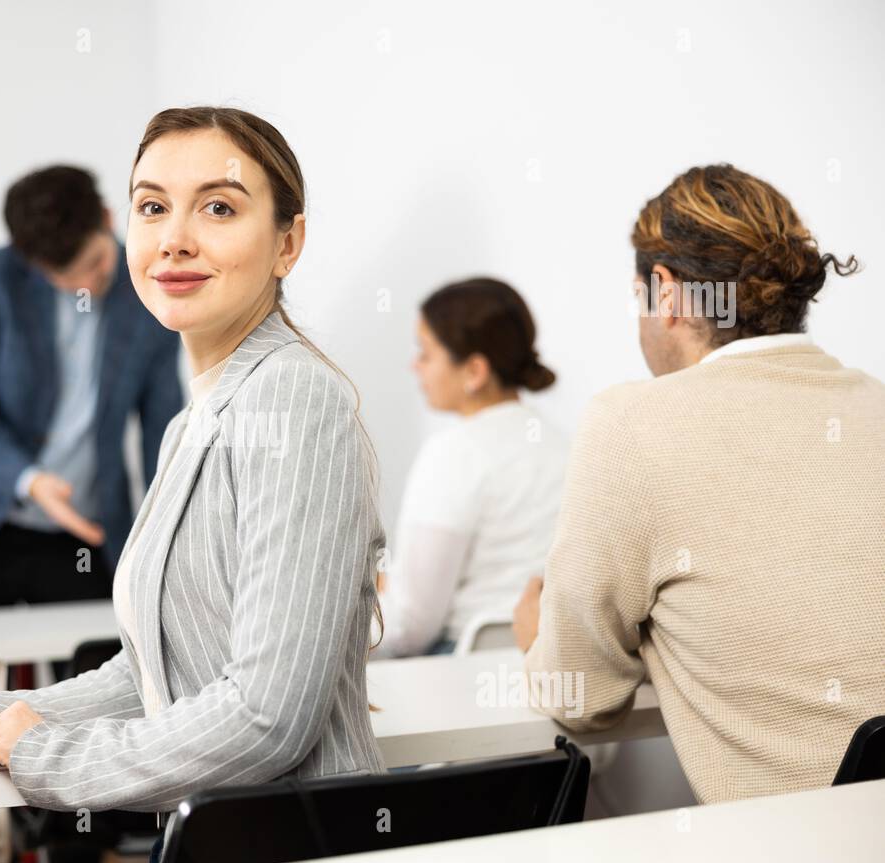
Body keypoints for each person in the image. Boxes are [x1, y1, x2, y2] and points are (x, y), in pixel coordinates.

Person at [0, 107, 388, 863]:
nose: (174, 238)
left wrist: (45, 759)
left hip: (298, 843)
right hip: (224, 838)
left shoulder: (290, 399)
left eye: (219, 208)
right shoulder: (198, 418)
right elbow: (155, 672)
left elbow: (267, 719)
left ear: (287, 242)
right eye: (153, 206)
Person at [513, 164, 884, 803]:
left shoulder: (630, 422)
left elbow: (582, 698)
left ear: (664, 291)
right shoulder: (875, 404)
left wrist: (534, 631)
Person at [0, 166, 184, 608]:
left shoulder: (151, 291)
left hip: (84, 530)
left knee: (102, 660)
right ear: (31, 261)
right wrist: (29, 481)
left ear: (107, 218)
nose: (87, 285)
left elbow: (163, 429)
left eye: (95, 264)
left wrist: (169, 532)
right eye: (66, 279)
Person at [371, 278, 568, 658]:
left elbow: (411, 627)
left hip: (458, 676)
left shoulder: (453, 453)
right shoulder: (565, 445)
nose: (415, 366)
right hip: (545, 664)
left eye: (426, 353)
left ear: (474, 371)